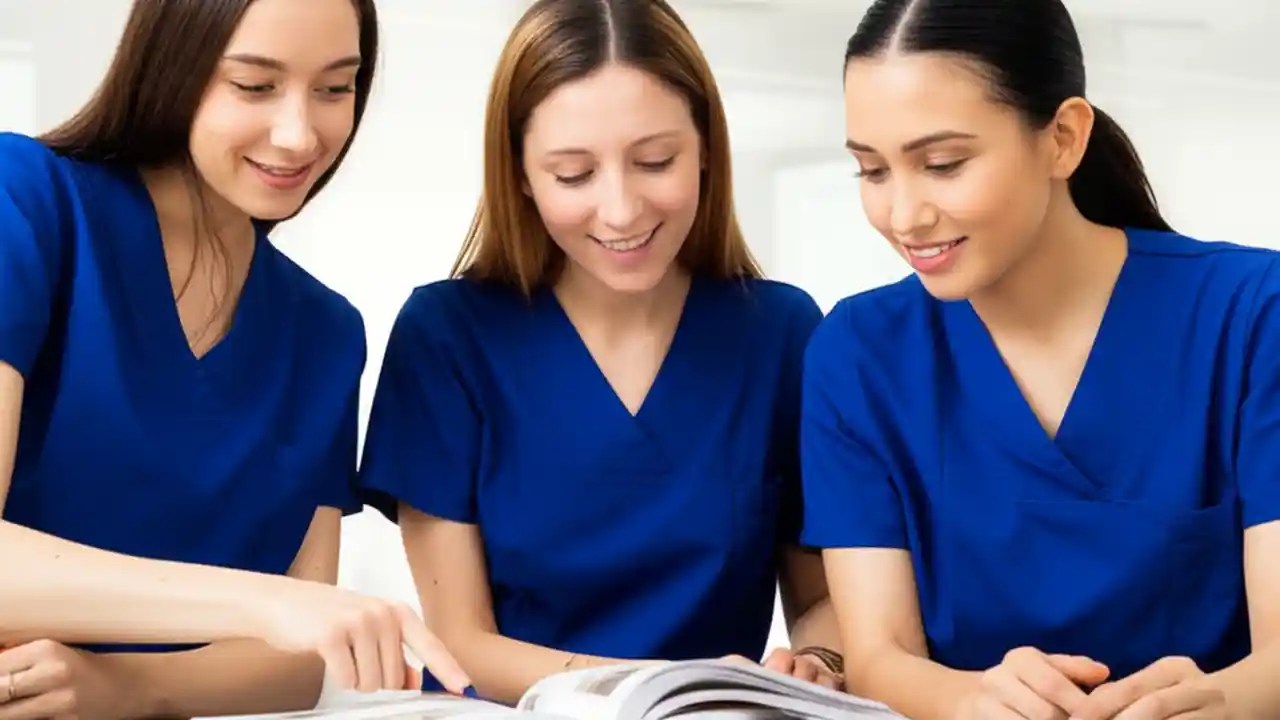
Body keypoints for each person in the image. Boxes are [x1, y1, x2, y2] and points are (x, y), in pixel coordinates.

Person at [800, 1, 1280, 719]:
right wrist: (975, 701)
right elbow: (878, 656)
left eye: (942, 164)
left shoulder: (1252, 315)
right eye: (871, 170)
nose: (903, 216)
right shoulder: (860, 353)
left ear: (1062, 138)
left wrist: (1214, 705)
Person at [357, 0, 842, 706]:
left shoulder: (781, 332)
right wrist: (647, 690)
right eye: (573, 175)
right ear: (520, 174)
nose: (620, 210)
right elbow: (461, 641)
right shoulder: (447, 335)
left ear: (706, 147)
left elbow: (822, 599)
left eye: (655, 161)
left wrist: (819, 660)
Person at [0, 0, 467, 717]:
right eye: (254, 86)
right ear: (169, 68)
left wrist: (120, 687)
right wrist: (267, 603)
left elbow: (298, 666)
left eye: (335, 88)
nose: (299, 134)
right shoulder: (27, 200)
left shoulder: (324, 332)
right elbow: (296, 613)